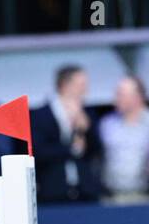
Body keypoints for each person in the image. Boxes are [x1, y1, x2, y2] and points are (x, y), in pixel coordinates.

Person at [31, 66, 102, 203]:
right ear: (65, 85)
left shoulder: (88, 113)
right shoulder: (41, 115)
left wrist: (85, 129)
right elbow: (39, 151)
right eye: (81, 85)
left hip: (85, 191)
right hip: (52, 192)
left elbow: (96, 151)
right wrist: (70, 149)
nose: (85, 90)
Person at [99, 76, 149, 202]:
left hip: (144, 197)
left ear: (137, 97)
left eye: (121, 94)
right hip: (110, 198)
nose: (116, 99)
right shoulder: (107, 124)